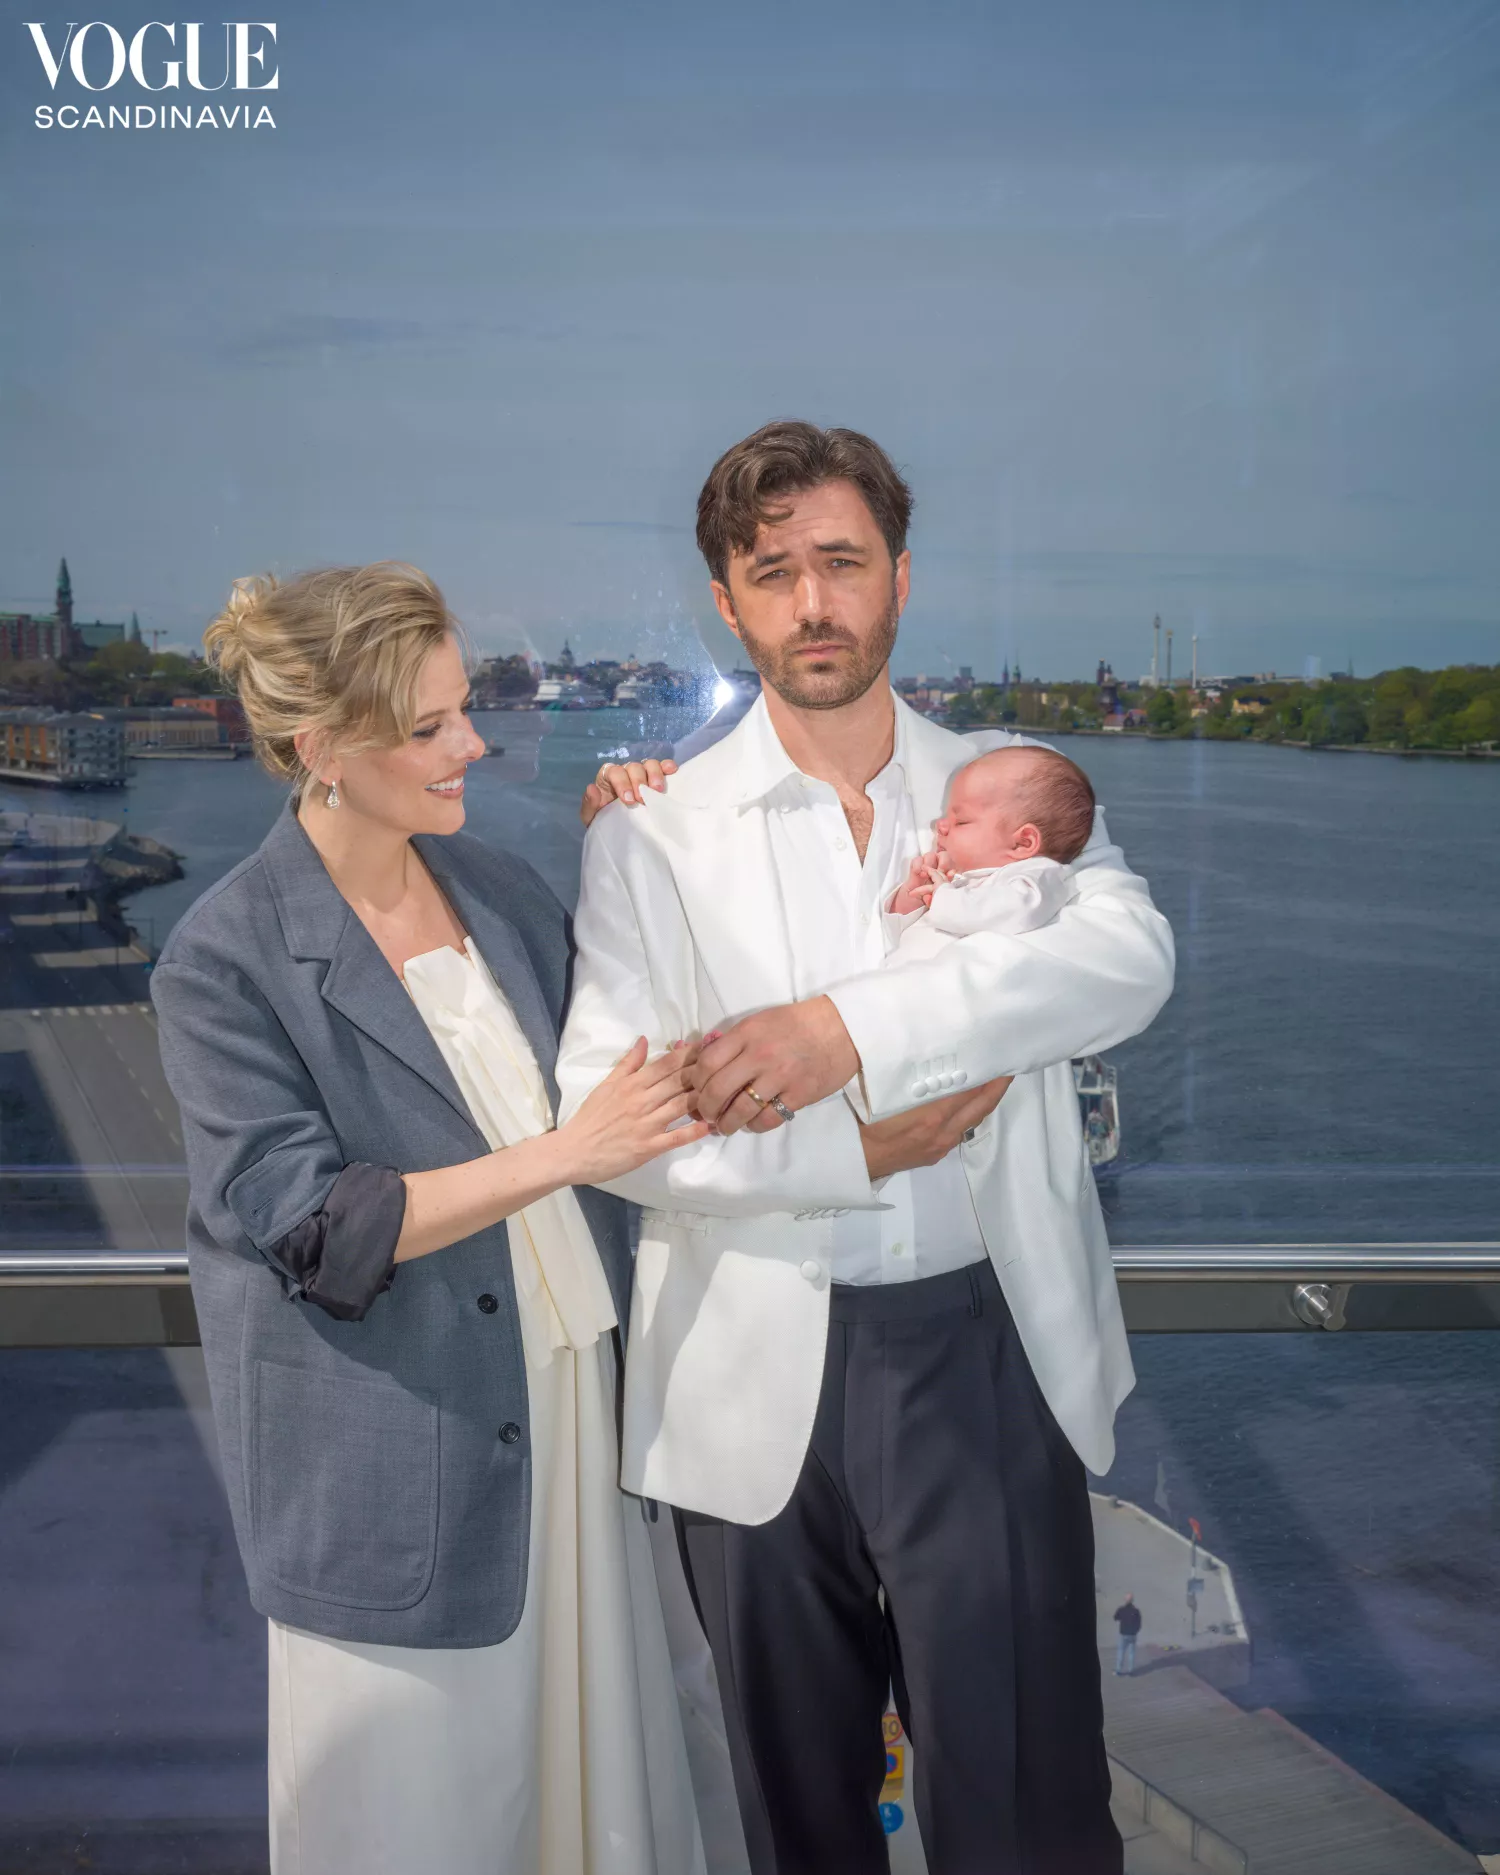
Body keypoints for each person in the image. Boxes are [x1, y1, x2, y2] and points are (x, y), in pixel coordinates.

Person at [561, 420, 1176, 1874]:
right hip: (738, 1365)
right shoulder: (650, 836)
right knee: (803, 1828)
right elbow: (612, 1123)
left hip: (984, 1353)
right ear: (727, 600)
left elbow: (1129, 964)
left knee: (1027, 1821)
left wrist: (838, 1033)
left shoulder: (1016, 789)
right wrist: (859, 1147)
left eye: (841, 561)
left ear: (901, 575)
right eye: (772, 572)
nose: (811, 602)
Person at [149, 563, 707, 1875]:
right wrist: (566, 1153)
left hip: (568, 1428)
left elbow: (637, 1043)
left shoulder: (508, 893)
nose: (471, 743)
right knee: (416, 1826)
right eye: (428, 726)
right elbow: (317, 1232)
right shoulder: (221, 962)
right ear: (316, 749)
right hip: (400, 1465)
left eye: (463, 709)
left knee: (591, 1807)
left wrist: (626, 839)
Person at [884, 743, 1097, 957]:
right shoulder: (964, 883)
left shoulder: (1038, 878)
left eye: (961, 821)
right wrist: (912, 897)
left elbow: (1012, 912)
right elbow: (896, 936)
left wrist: (943, 897)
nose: (940, 825)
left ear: (1023, 843)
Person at [1114, 1595, 1143, 1676]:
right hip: (1133, 1634)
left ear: (1125, 1600)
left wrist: (1122, 1618)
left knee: (1121, 1652)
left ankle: (1118, 1670)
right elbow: (1139, 1623)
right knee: (1131, 1653)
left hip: (1123, 1634)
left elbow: (1115, 1618)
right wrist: (1136, 1631)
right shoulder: (1136, 1611)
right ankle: (1131, 1671)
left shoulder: (1121, 1609)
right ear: (1132, 1601)